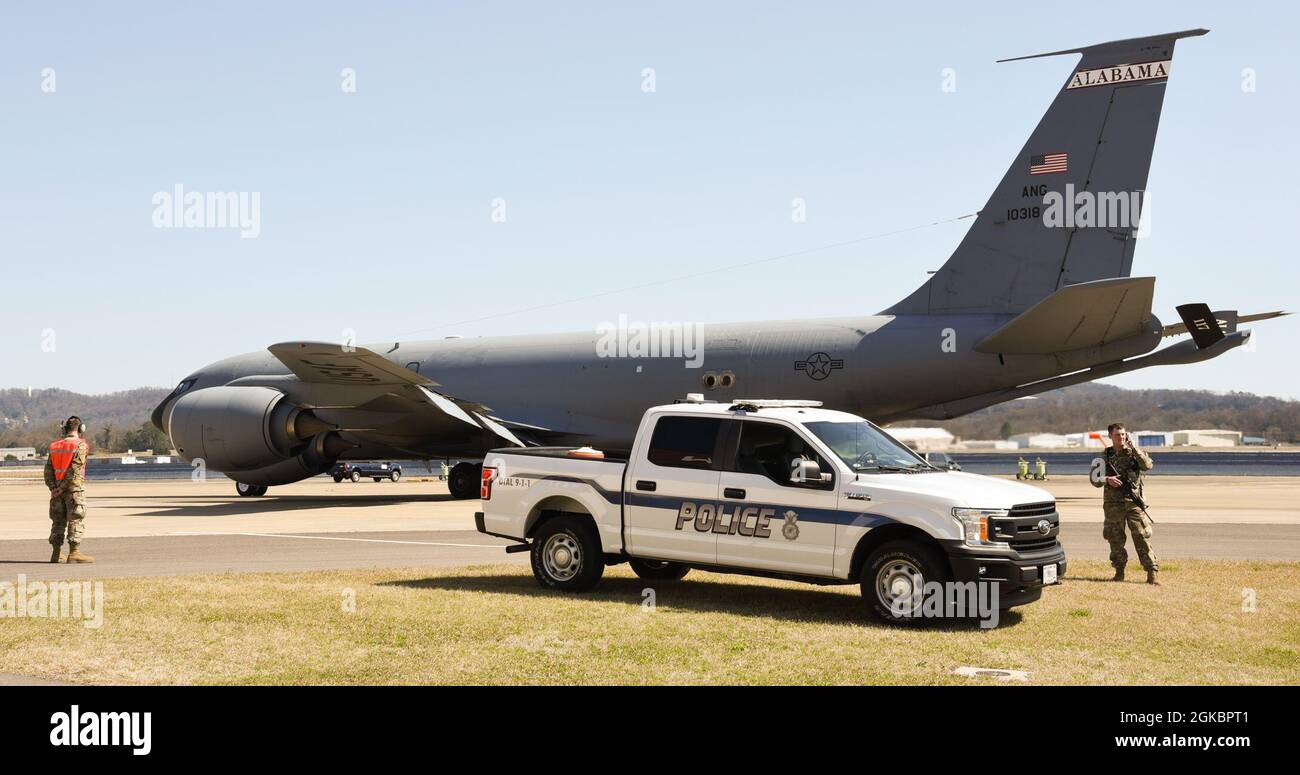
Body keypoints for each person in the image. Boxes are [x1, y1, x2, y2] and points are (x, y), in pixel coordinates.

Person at [1093, 422, 1156, 584]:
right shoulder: (1103, 456)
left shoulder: (1135, 454)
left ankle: (1152, 572)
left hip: (1133, 503)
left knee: (1141, 536)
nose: (1120, 438)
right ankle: (1119, 571)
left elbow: (1147, 465)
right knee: (1115, 538)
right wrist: (1107, 479)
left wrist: (1134, 448)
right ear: (1110, 437)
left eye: (1123, 434)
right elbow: (1094, 479)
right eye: (1117, 435)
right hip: (1113, 505)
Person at [44, 416, 94, 564]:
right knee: (76, 520)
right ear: (80, 429)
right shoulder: (81, 445)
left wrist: (54, 488)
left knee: (58, 522)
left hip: (56, 492)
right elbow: (75, 470)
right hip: (73, 490)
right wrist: (63, 487)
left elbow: (48, 471)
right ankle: (74, 553)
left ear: (65, 429)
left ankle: (56, 554)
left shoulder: (55, 446)